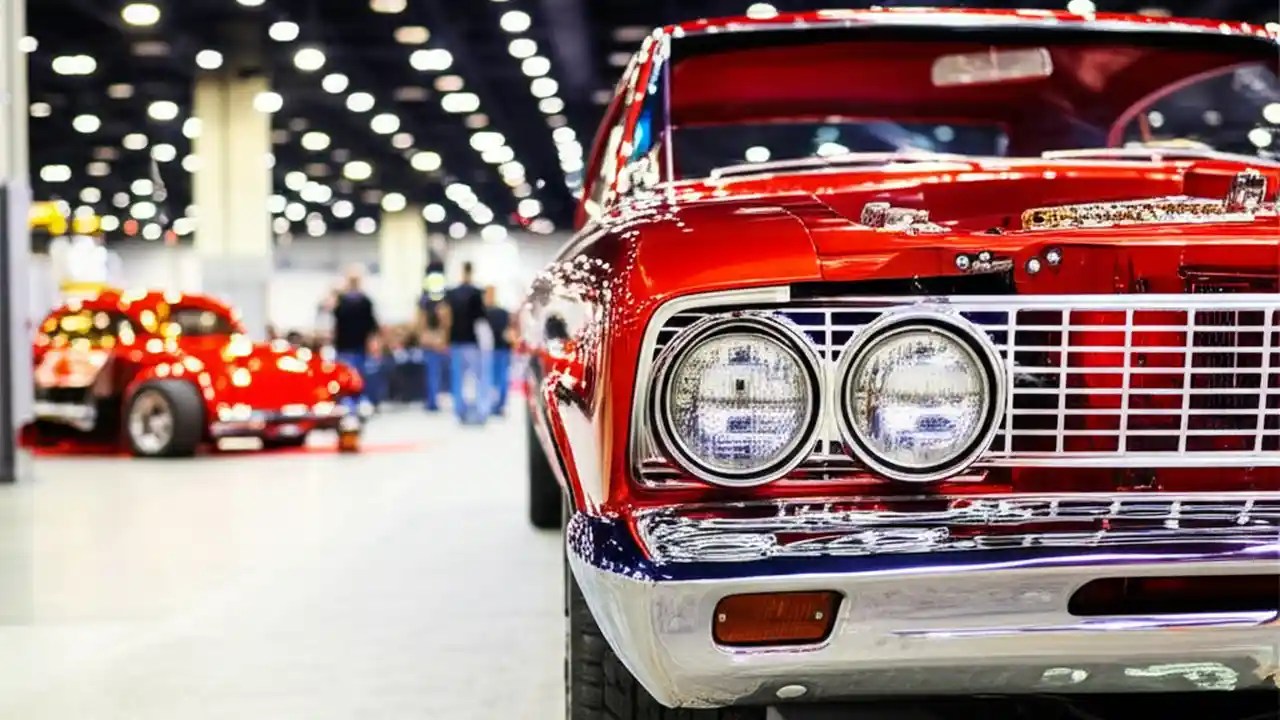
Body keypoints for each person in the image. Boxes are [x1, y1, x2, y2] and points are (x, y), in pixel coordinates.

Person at [439, 262, 490, 425]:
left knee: (458, 379)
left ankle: (459, 411)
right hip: (472, 341)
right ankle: (480, 411)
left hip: (456, 340)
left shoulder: (451, 293)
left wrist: (445, 339)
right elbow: (481, 319)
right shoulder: (476, 293)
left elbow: (446, 318)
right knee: (478, 378)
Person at [331, 267, 380, 404]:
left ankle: (358, 401)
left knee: (359, 376)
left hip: (359, 346)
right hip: (343, 346)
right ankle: (347, 402)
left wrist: (373, 343)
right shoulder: (340, 300)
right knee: (344, 376)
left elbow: (371, 325)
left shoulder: (365, 301)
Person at [484, 286, 515, 417]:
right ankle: (498, 405)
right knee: (500, 378)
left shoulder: (485, 313)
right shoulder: (503, 312)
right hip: (501, 348)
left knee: (494, 378)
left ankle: (494, 405)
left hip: (493, 349)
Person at [416, 292, 447, 412]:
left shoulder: (425, 302)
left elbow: (421, 322)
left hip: (429, 339)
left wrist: (422, 337)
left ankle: (432, 400)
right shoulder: (439, 301)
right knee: (434, 373)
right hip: (435, 339)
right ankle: (432, 400)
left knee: (432, 373)